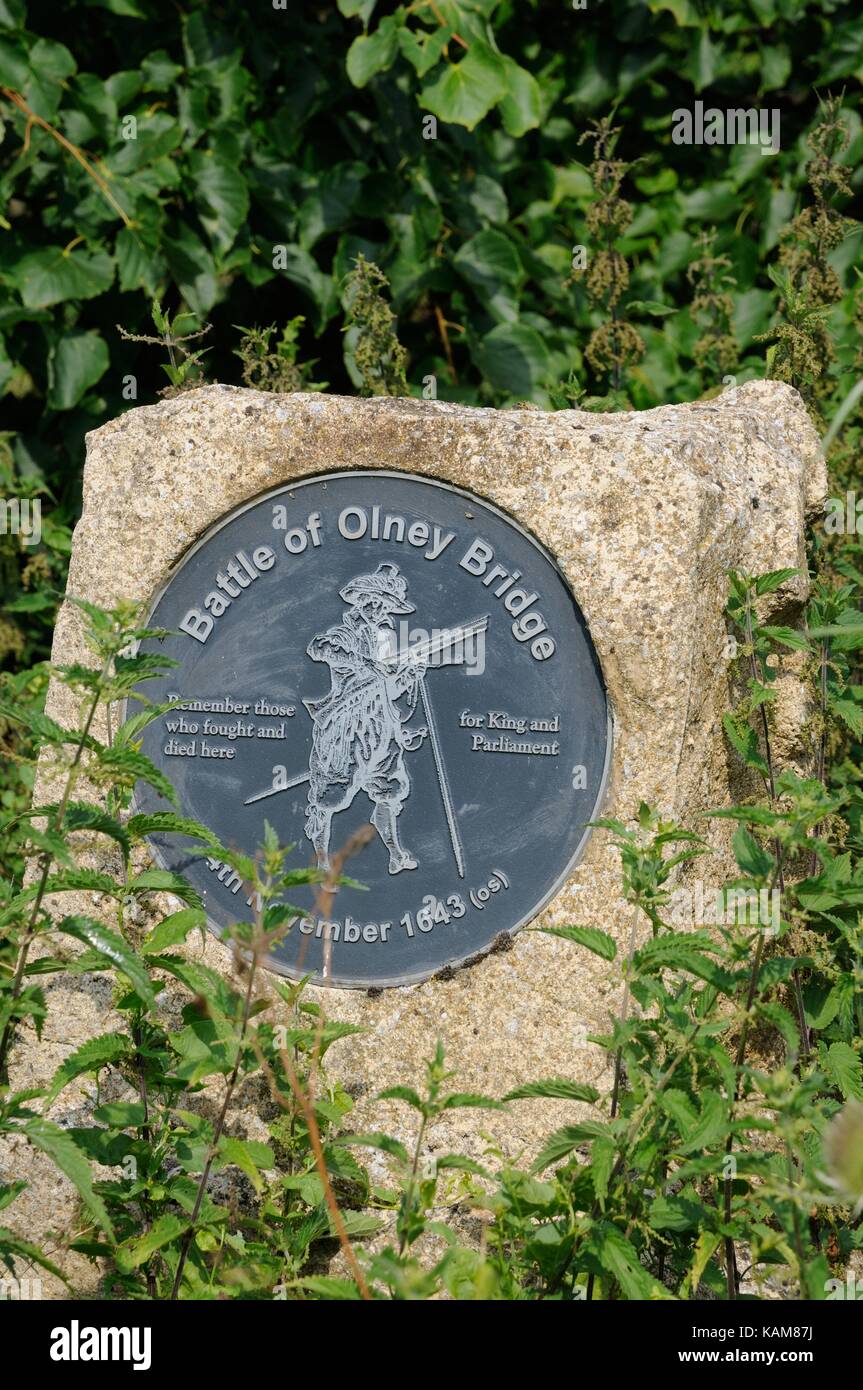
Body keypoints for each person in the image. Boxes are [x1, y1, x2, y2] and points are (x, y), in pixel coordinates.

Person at [304, 562, 427, 874]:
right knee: (332, 796)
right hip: (349, 727)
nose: (379, 610)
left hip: (382, 729)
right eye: (374, 602)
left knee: (391, 789)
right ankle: (320, 860)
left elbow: (388, 687)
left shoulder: (385, 640)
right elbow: (320, 648)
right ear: (361, 600)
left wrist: (409, 676)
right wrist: (360, 662)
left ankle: (396, 854)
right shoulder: (343, 634)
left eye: (384, 605)